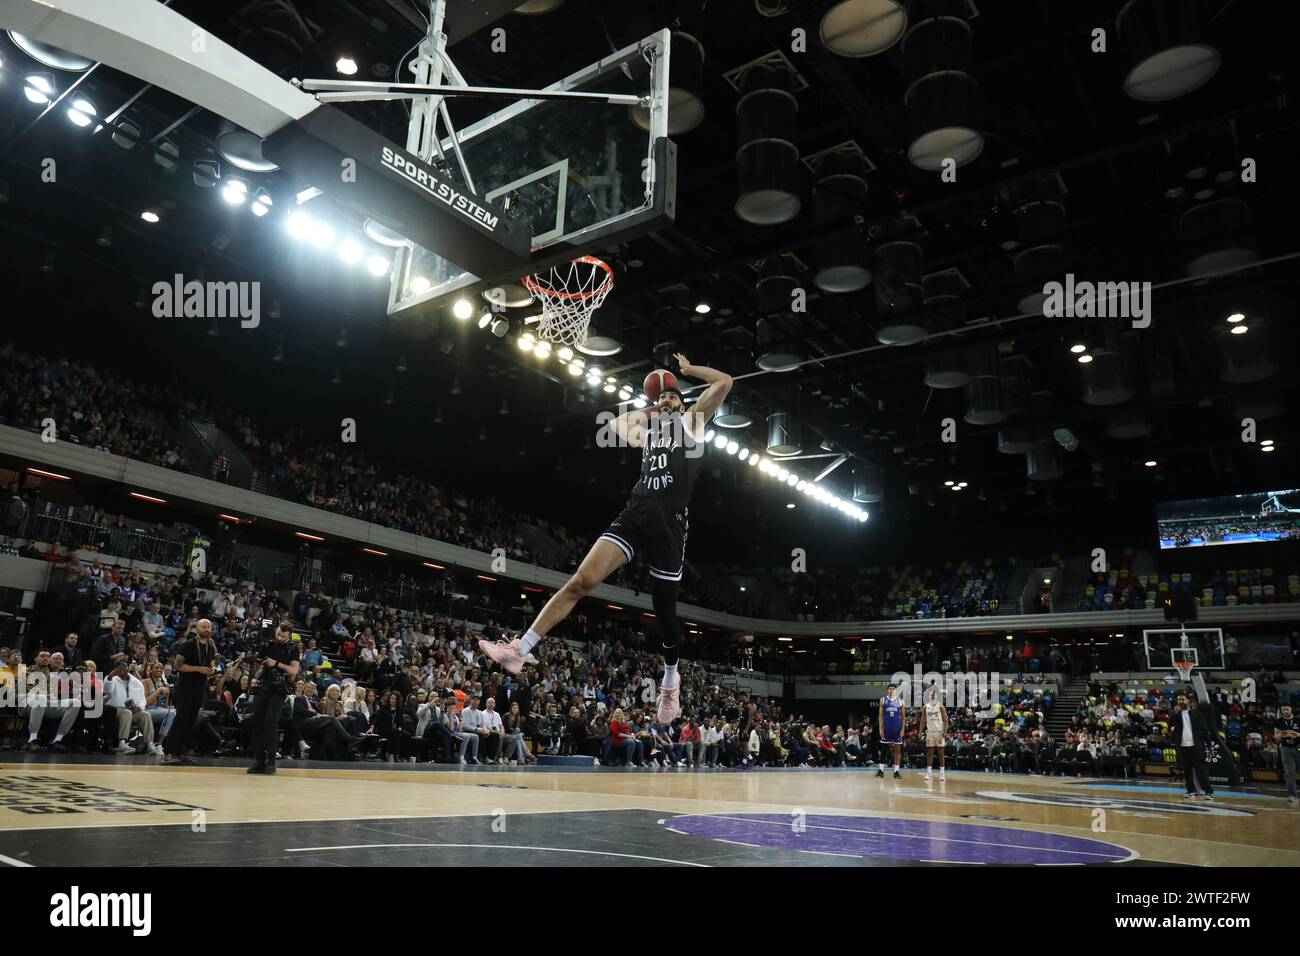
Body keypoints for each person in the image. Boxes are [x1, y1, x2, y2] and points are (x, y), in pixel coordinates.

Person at [480, 354, 733, 729]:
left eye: (671, 399)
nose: (665, 402)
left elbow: (725, 380)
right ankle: (520, 649)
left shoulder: (693, 422)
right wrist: (655, 406)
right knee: (581, 580)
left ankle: (669, 680)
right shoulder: (649, 433)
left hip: (669, 521)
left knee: (664, 611)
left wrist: (689, 373)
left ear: (683, 403)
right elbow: (617, 423)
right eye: (660, 400)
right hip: (637, 510)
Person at [247, 623, 301, 775]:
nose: (280, 638)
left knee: (270, 723)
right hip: (263, 685)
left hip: (279, 689)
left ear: (289, 635)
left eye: (283, 636)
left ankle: (271, 761)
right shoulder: (268, 644)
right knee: (256, 721)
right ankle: (259, 761)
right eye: (278, 634)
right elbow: (255, 658)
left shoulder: (293, 649)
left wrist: (276, 664)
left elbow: (294, 670)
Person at [162, 618, 217, 765]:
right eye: (204, 626)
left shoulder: (211, 647)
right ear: (197, 629)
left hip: (200, 689)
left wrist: (215, 671)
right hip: (185, 688)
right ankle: (168, 753)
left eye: (209, 627)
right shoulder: (189, 644)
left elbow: (211, 667)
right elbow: (177, 666)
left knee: (191, 721)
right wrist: (199, 669)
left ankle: (181, 751)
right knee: (181, 719)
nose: (207, 629)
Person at [1172, 693, 1215, 801]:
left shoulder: (1197, 715)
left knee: (1201, 770)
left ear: (1188, 702)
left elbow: (1205, 731)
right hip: (1183, 747)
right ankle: (1190, 791)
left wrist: (1209, 745)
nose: (1180, 701)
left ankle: (1208, 792)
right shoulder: (1176, 715)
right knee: (1187, 771)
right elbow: (1171, 726)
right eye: (1178, 699)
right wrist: (1174, 713)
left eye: (1182, 699)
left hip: (1197, 746)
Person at [1270, 703, 1299, 806]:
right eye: (1283, 709)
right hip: (1286, 749)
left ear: (1291, 709)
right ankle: (1292, 795)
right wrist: (1281, 734)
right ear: (1281, 711)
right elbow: (1275, 737)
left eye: (1287, 709)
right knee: (1289, 772)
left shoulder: (1298, 720)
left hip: (1298, 747)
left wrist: (1296, 734)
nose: (1286, 711)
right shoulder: (1278, 722)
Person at [876, 684, 906, 779]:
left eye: (893, 689)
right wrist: (880, 728)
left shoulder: (900, 701)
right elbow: (880, 716)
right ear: (887, 690)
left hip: (897, 729)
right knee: (884, 750)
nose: (891, 690)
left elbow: (903, 717)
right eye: (890, 689)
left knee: (897, 750)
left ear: (895, 691)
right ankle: (881, 770)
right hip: (887, 729)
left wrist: (902, 729)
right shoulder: (883, 700)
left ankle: (896, 771)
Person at [921, 688, 949, 782]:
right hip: (930, 732)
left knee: (941, 753)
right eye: (931, 694)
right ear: (928, 696)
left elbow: (946, 720)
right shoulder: (926, 707)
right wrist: (920, 731)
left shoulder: (941, 706)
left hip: (939, 732)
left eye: (934, 694)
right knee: (929, 753)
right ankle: (929, 774)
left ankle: (942, 774)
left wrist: (945, 731)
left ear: (937, 696)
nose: (932, 695)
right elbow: (922, 720)